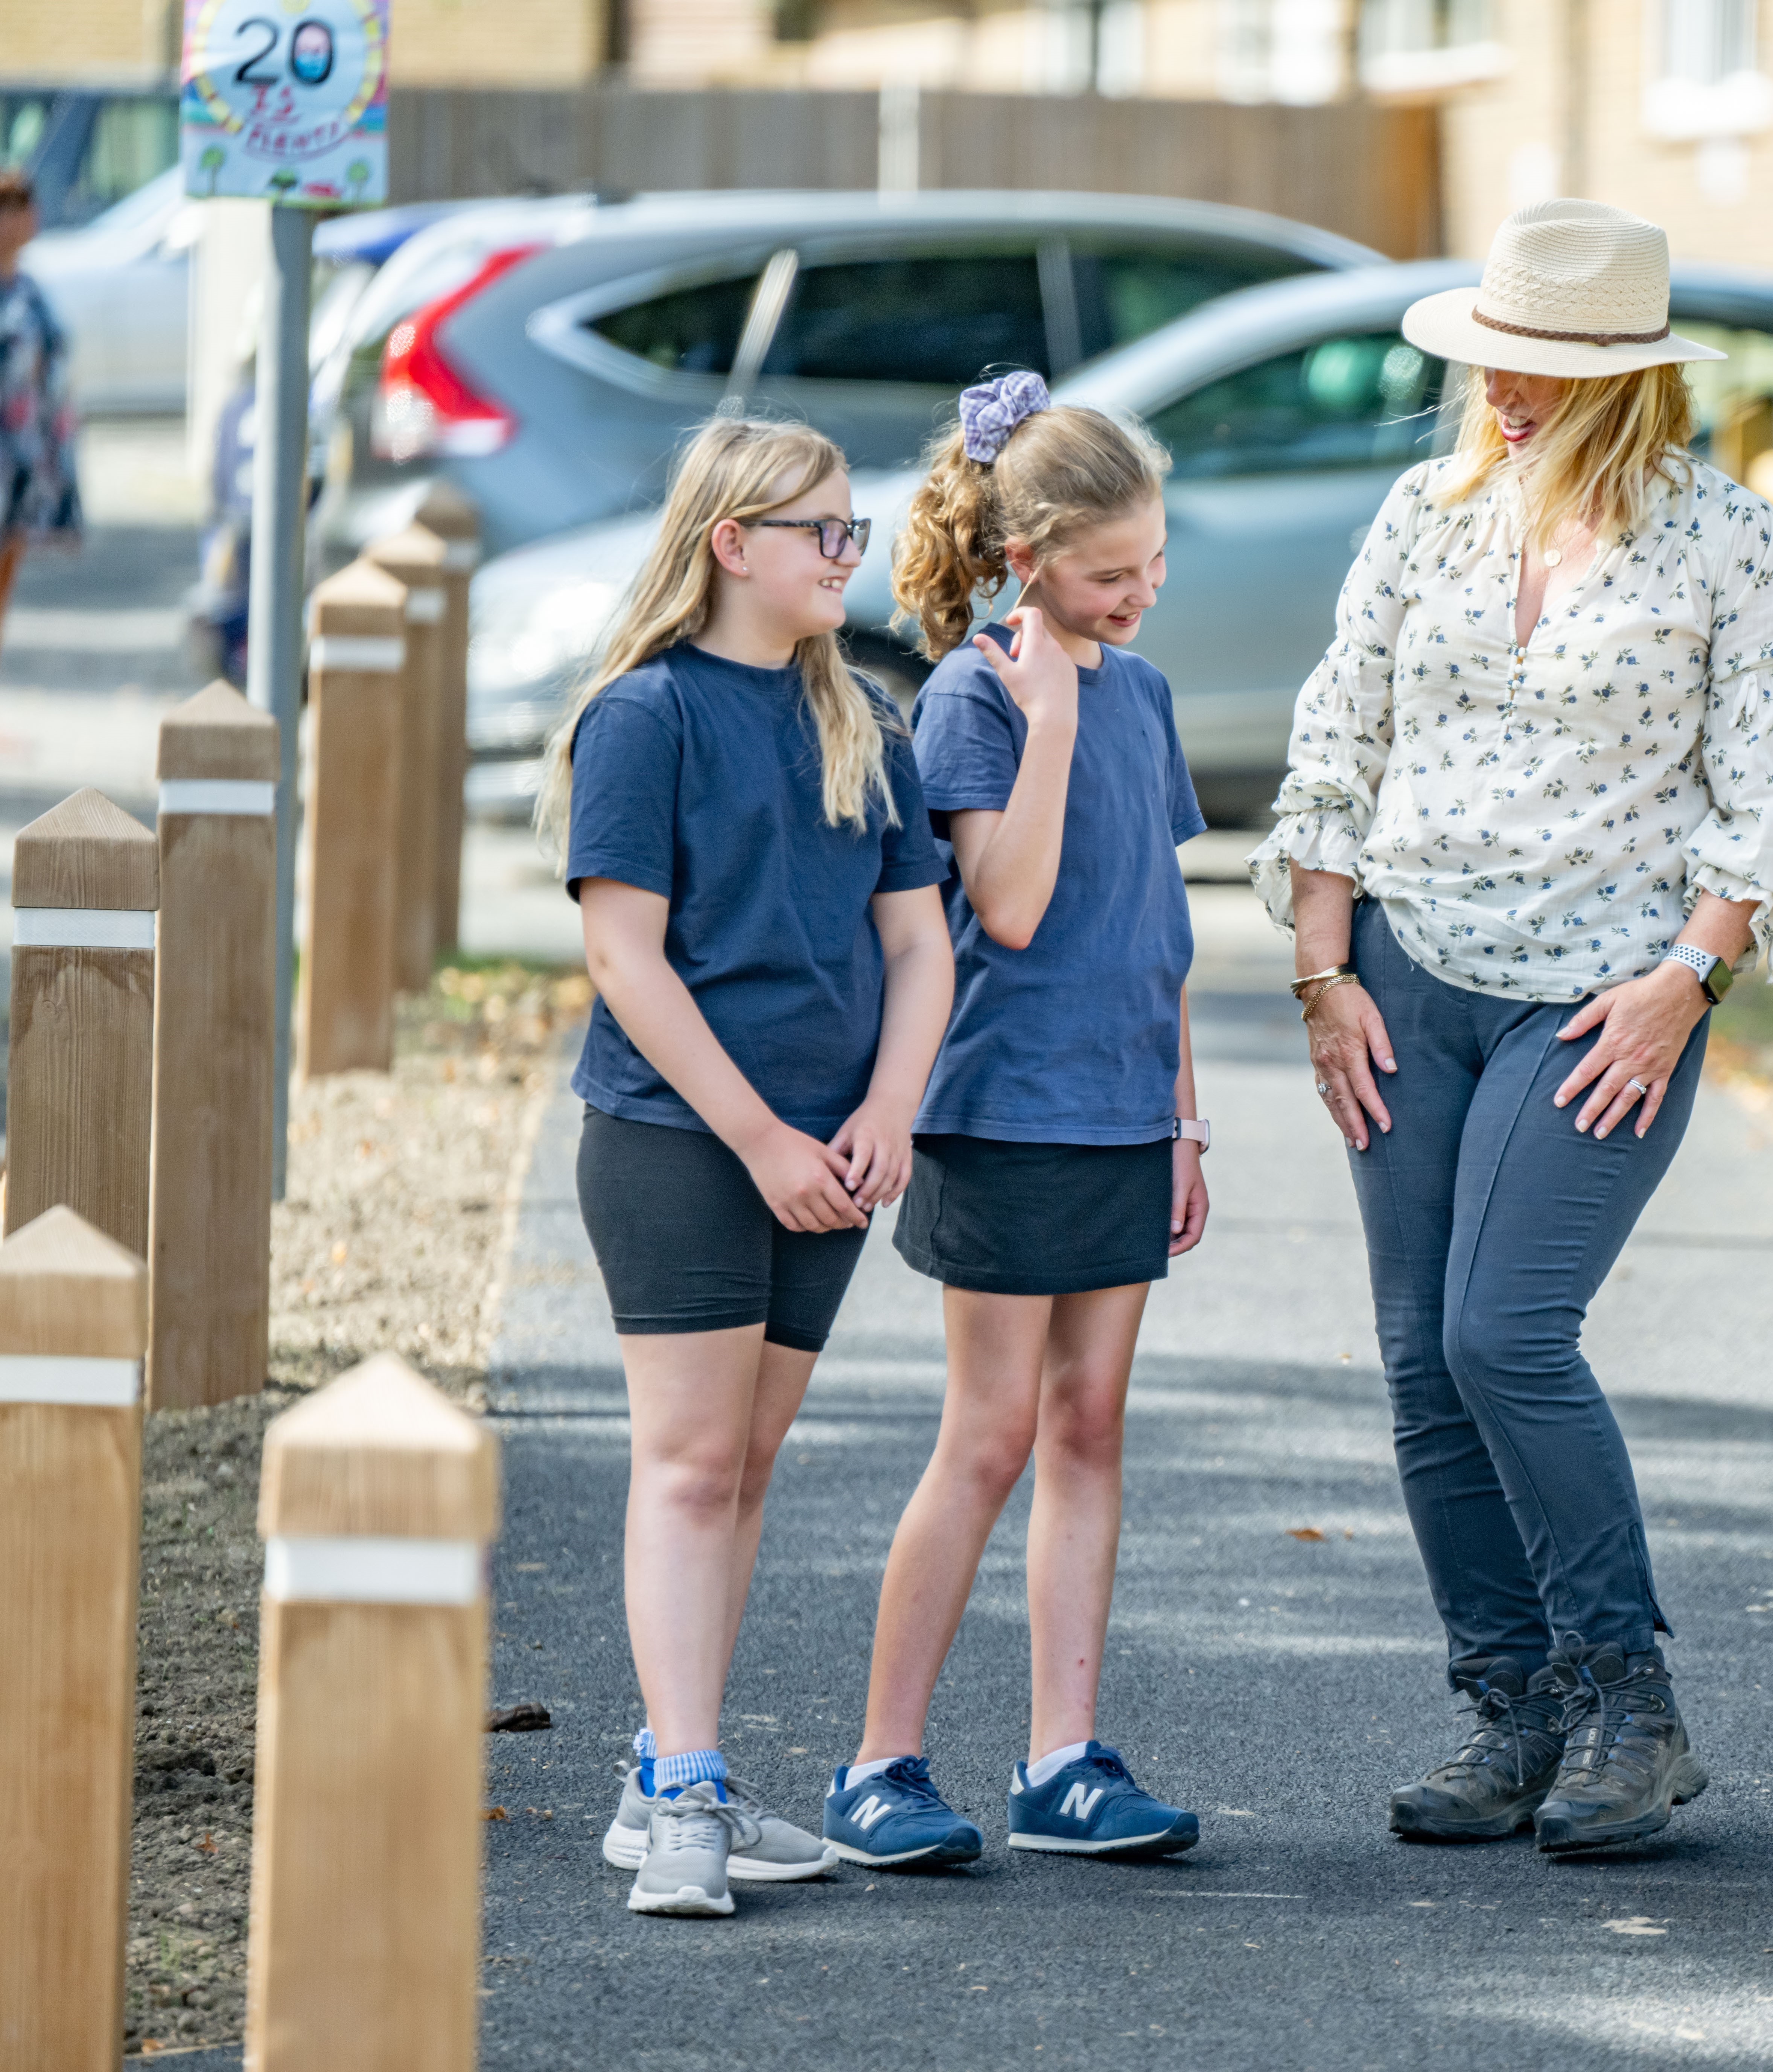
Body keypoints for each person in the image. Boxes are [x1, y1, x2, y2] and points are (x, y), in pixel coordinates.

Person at [1251, 198, 1773, 1854]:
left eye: (1550, 366)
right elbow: (1335, 744)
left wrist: (1688, 979)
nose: (1508, 386)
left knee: (1508, 1333)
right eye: (1498, 353)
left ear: (1631, 376)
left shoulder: (1727, 543)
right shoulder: (1424, 518)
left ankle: (1630, 1703)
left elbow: (1765, 804)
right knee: (1425, 1362)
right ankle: (1511, 1711)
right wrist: (1320, 967)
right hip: (1405, 975)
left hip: (1605, 1003)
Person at [542, 416, 956, 1918]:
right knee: (692, 1458)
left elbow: (920, 940)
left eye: (855, 529)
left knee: (751, 1462)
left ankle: (670, 1765)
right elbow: (623, 955)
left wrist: (892, 1104)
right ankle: (694, 1797)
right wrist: (764, 1137)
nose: (853, 552)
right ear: (734, 542)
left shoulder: (869, 721)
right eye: (825, 530)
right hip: (681, 1141)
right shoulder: (643, 717)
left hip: (831, 1153)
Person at [818, 372, 1212, 1872]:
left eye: (1154, 564)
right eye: (1114, 573)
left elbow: (1157, 922)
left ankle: (1064, 1758)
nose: (1142, 591)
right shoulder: (979, 695)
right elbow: (1017, 901)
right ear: (1030, 554)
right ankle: (879, 1761)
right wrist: (1048, 717)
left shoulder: (1149, 692)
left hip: (1121, 1113)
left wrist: (1184, 1118)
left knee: (1089, 1426)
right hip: (1005, 1113)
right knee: (986, 1435)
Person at [0, 168, 80, 651]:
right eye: (6, 207)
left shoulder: (32, 291)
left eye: (22, 206)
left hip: (24, 459)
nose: (16, 219)